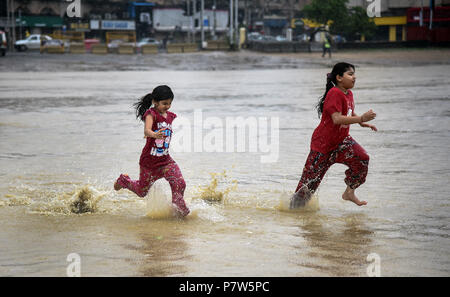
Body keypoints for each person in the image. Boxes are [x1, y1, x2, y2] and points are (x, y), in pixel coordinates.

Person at [290, 62, 377, 209]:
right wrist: (361, 118)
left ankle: (349, 192)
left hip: (341, 142)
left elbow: (348, 111)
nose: (354, 77)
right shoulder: (334, 93)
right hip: (322, 146)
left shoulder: (348, 94)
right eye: (350, 74)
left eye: (354, 74)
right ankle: (292, 214)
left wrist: (361, 123)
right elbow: (337, 118)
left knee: (362, 159)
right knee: (306, 188)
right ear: (339, 78)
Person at [114, 85, 190, 217]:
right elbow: (147, 130)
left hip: (166, 161)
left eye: (170, 103)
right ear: (155, 102)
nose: (167, 106)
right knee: (142, 192)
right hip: (149, 163)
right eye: (164, 103)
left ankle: (178, 205)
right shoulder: (151, 114)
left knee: (180, 183)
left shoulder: (171, 116)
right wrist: (154, 134)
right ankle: (124, 181)